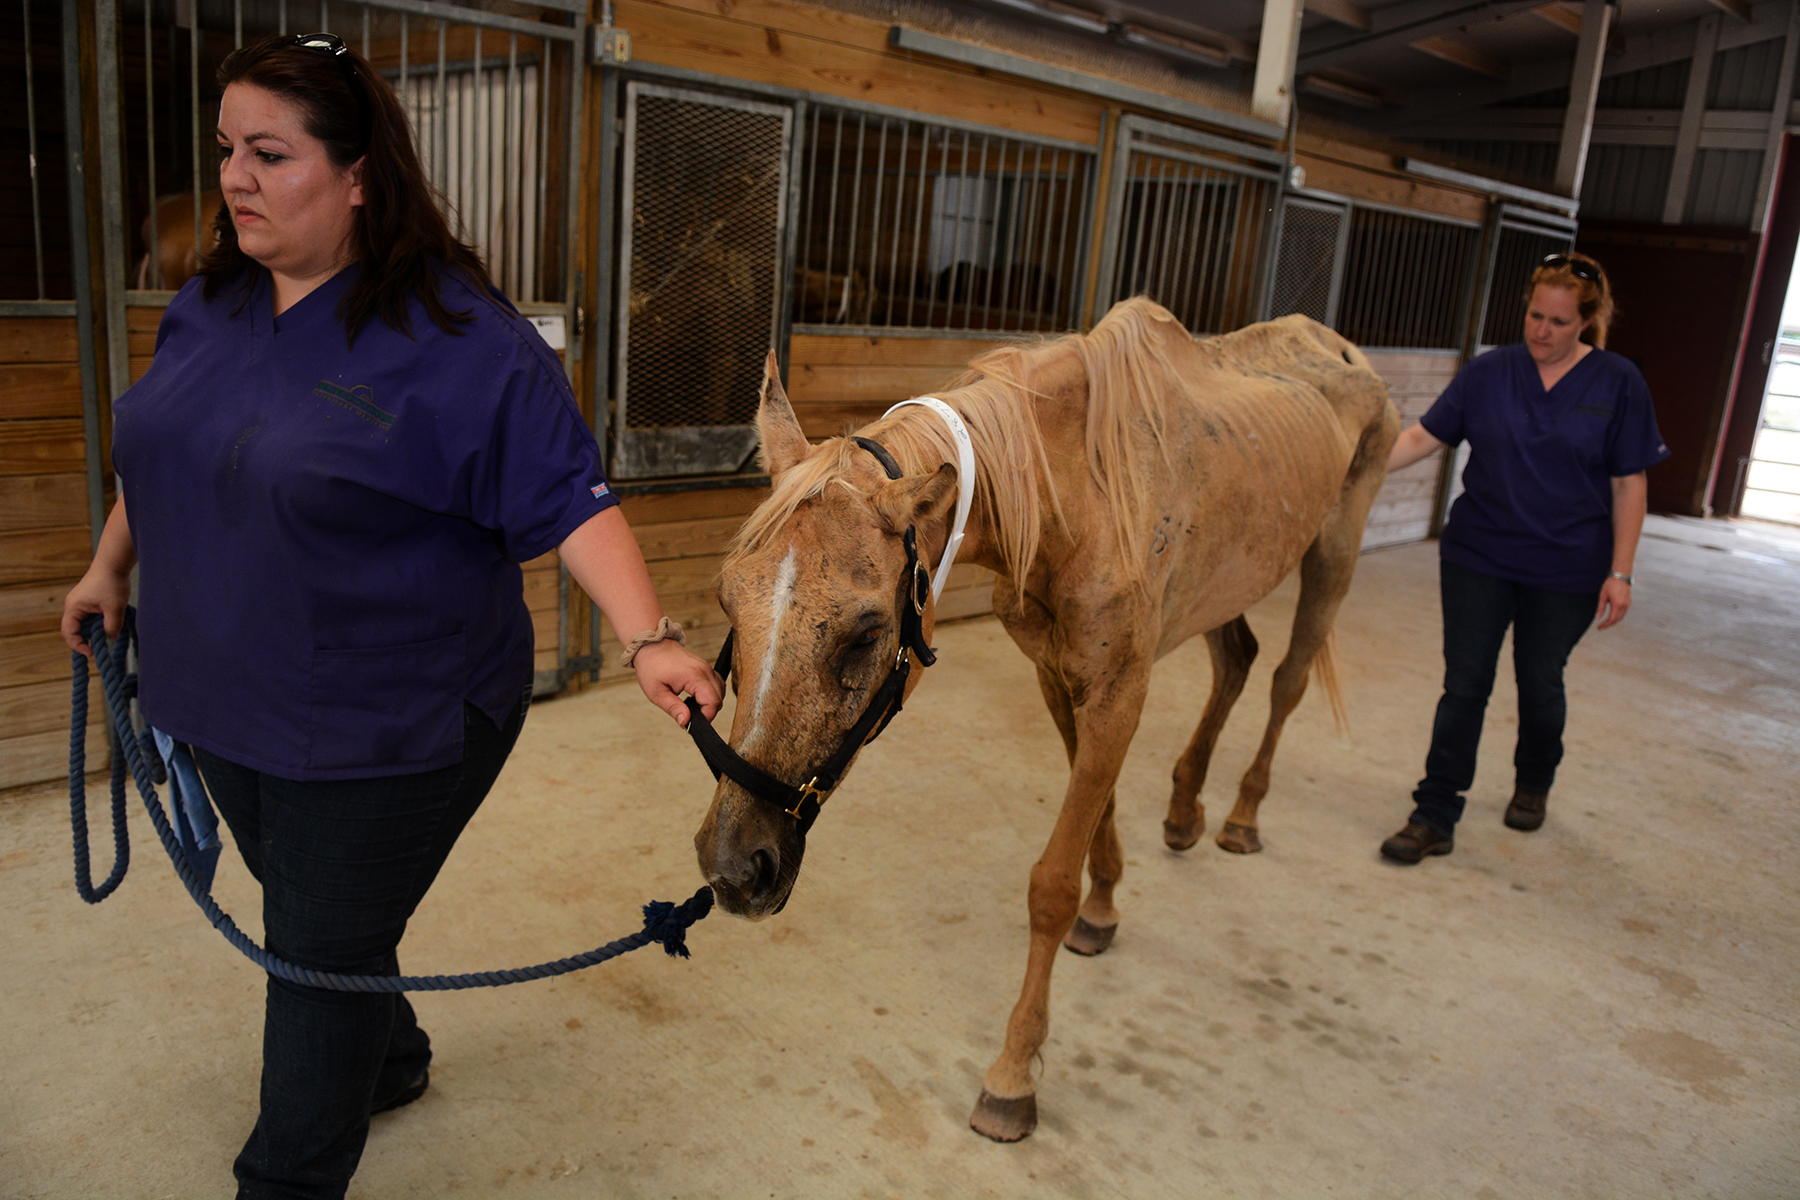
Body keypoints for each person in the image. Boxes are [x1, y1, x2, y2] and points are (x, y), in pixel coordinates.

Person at [59, 33, 724, 1198]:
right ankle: (396, 1053)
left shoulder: (461, 339)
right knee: (326, 915)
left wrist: (649, 637)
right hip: (219, 695)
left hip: (387, 719)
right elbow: (160, 456)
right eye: (226, 150)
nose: (234, 179)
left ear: (360, 174)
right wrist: (110, 572)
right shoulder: (210, 304)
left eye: (271, 153)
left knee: (312, 960)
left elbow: (569, 498)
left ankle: (289, 1179)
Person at [1379, 252, 1668, 864]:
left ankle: (1533, 780)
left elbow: (1628, 484)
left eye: (1559, 323)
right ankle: (1434, 813)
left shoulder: (1618, 382)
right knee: (1464, 685)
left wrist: (1621, 572)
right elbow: (1422, 437)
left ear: (1586, 322)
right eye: (1536, 316)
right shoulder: (1490, 373)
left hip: (1567, 566)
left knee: (1539, 682)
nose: (1542, 331)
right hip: (1479, 553)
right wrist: (1352, 467)